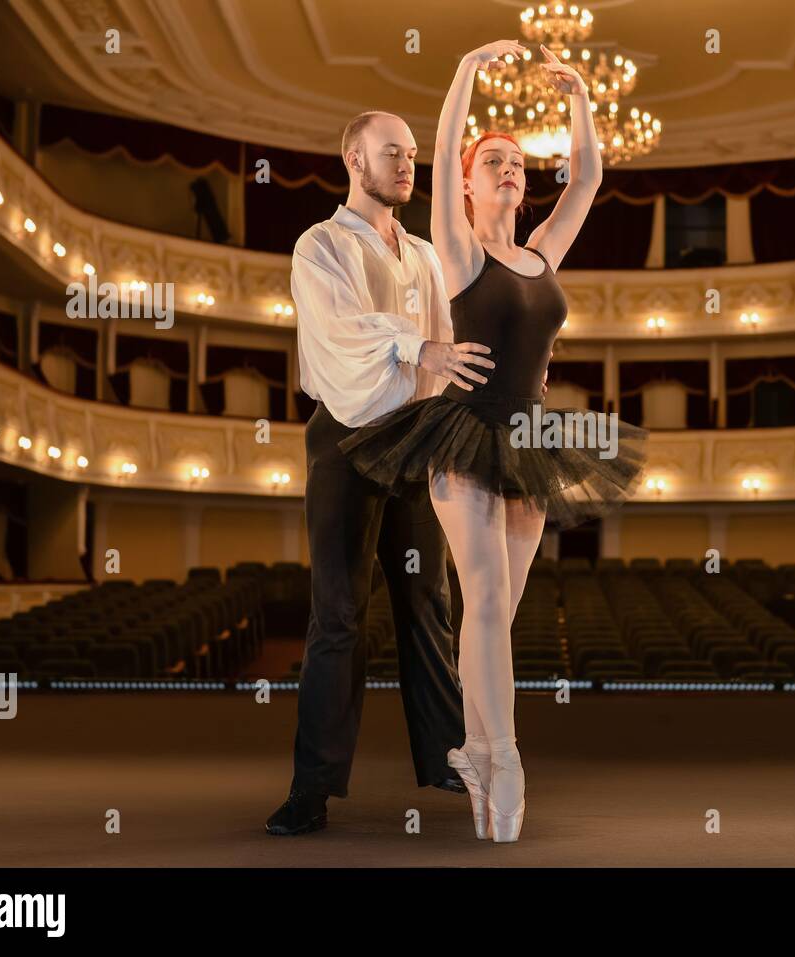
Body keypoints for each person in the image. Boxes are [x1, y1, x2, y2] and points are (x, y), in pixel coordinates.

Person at [338, 41, 648, 843]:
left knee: (496, 617)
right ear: (471, 186)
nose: (510, 170)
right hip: (464, 435)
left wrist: (580, 98)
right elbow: (442, 155)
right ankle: (503, 757)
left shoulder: (542, 254)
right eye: (495, 162)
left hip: (533, 439)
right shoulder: (460, 250)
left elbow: (587, 181)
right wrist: (468, 69)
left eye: (516, 163)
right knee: (479, 596)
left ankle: (473, 748)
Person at [265, 111, 500, 836]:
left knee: (429, 602)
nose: (406, 164)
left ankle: (446, 758)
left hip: (416, 437)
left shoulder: (426, 255)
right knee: (338, 613)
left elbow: (452, 343)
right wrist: (417, 348)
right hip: (347, 436)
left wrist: (502, 372)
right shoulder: (320, 246)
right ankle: (312, 788)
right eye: (390, 152)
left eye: (412, 154)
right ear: (352, 157)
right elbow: (340, 331)